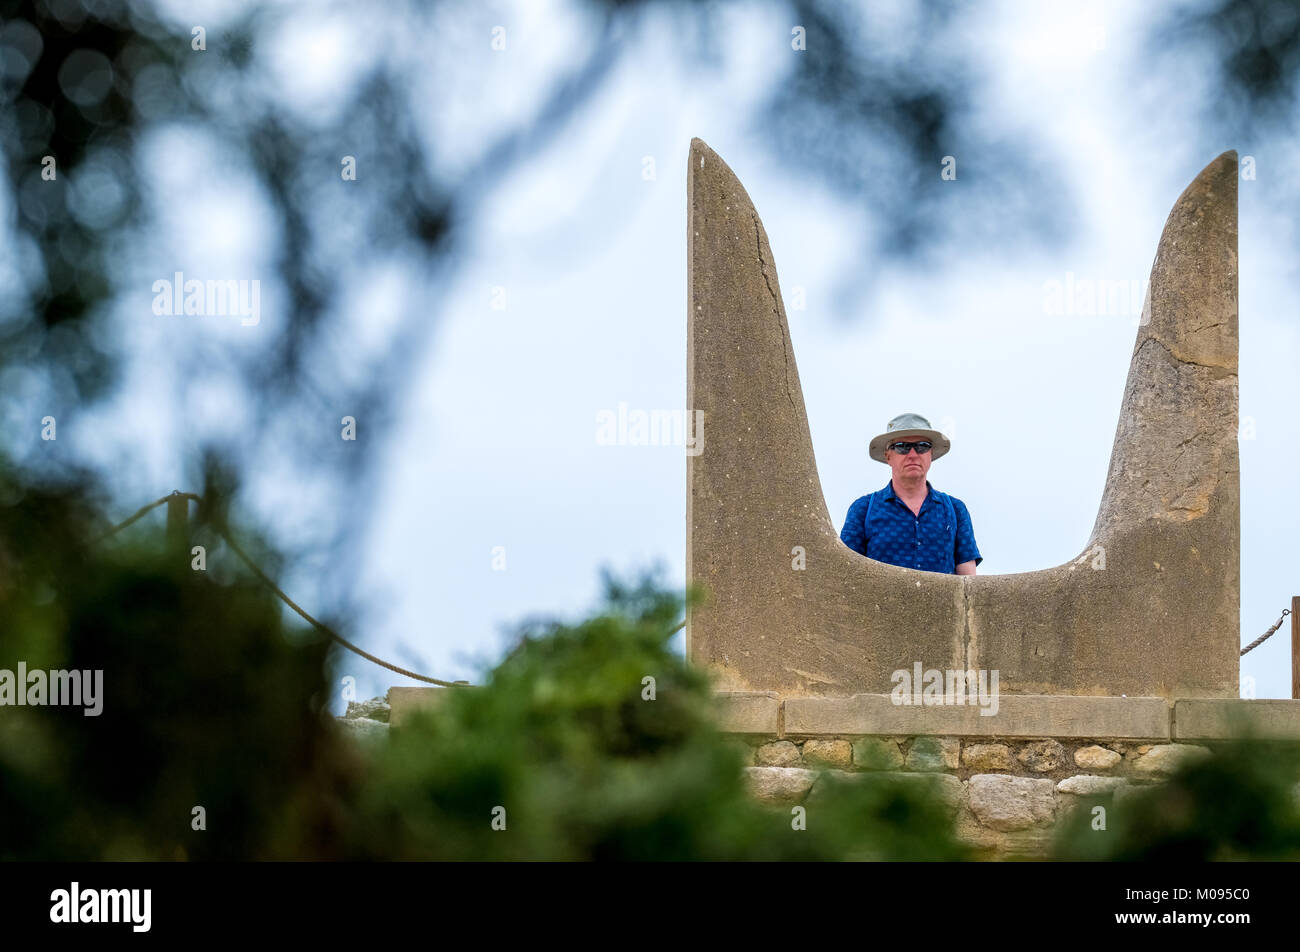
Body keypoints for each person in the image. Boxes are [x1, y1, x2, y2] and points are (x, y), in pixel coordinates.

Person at [839, 412, 981, 575]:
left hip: (941, 602)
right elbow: (846, 572)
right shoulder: (863, 510)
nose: (913, 454)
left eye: (922, 446)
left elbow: (968, 584)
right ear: (888, 456)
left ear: (930, 454)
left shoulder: (955, 510)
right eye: (902, 447)